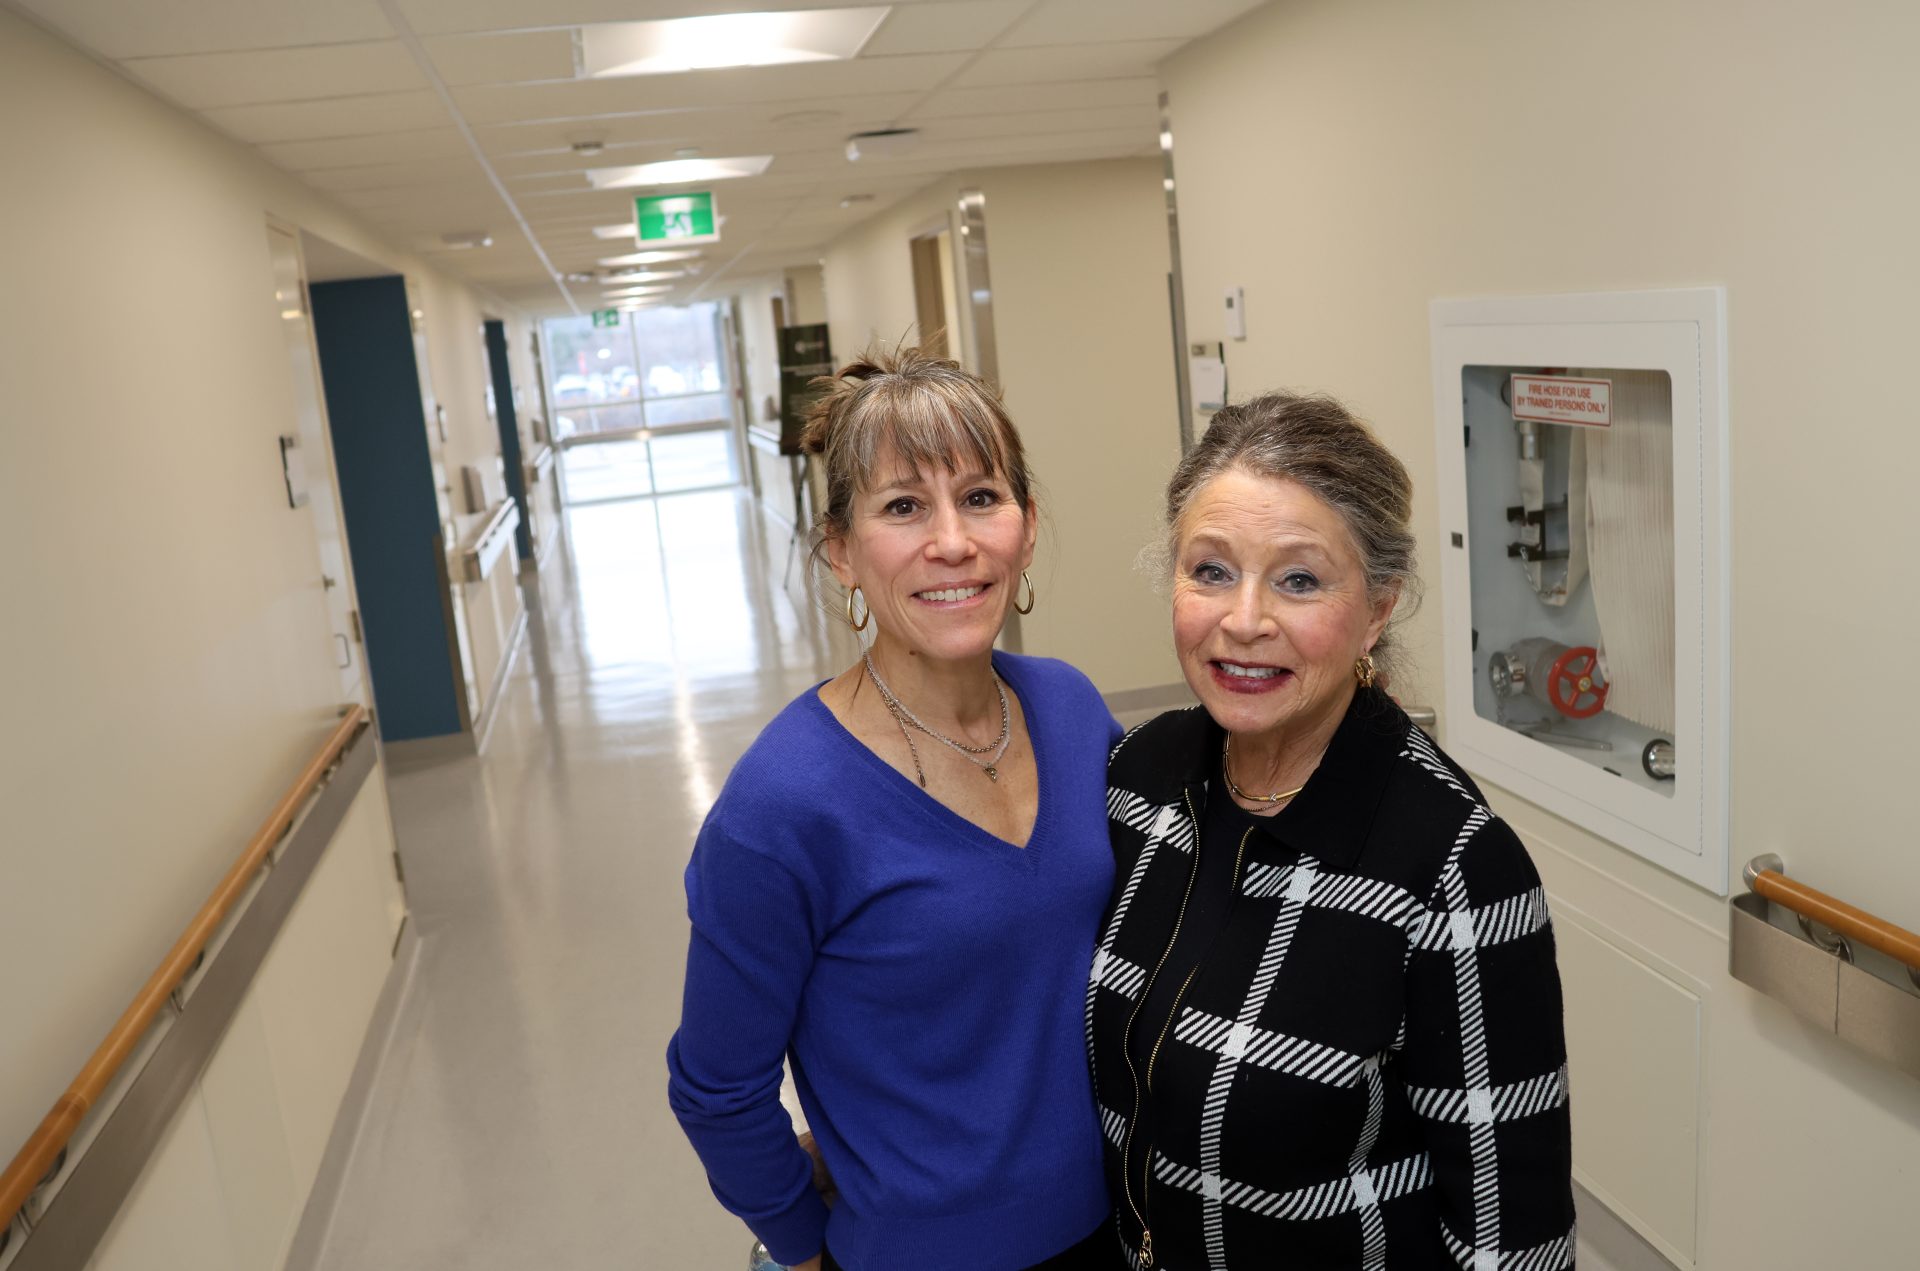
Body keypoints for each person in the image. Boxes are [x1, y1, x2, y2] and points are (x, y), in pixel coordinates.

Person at [1088, 393, 1575, 1269]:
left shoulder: (1457, 870)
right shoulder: (1142, 778)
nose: (1243, 620)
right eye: (1210, 570)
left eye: (1300, 579)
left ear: (1378, 609)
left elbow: (1516, 1240)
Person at [668, 347, 1121, 1271]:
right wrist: (804, 1249)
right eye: (904, 506)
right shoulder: (784, 805)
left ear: (1027, 528)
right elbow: (717, 1087)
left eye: (982, 497)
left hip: (1124, 1223)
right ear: (841, 550)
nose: (952, 541)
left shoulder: (1072, 712)